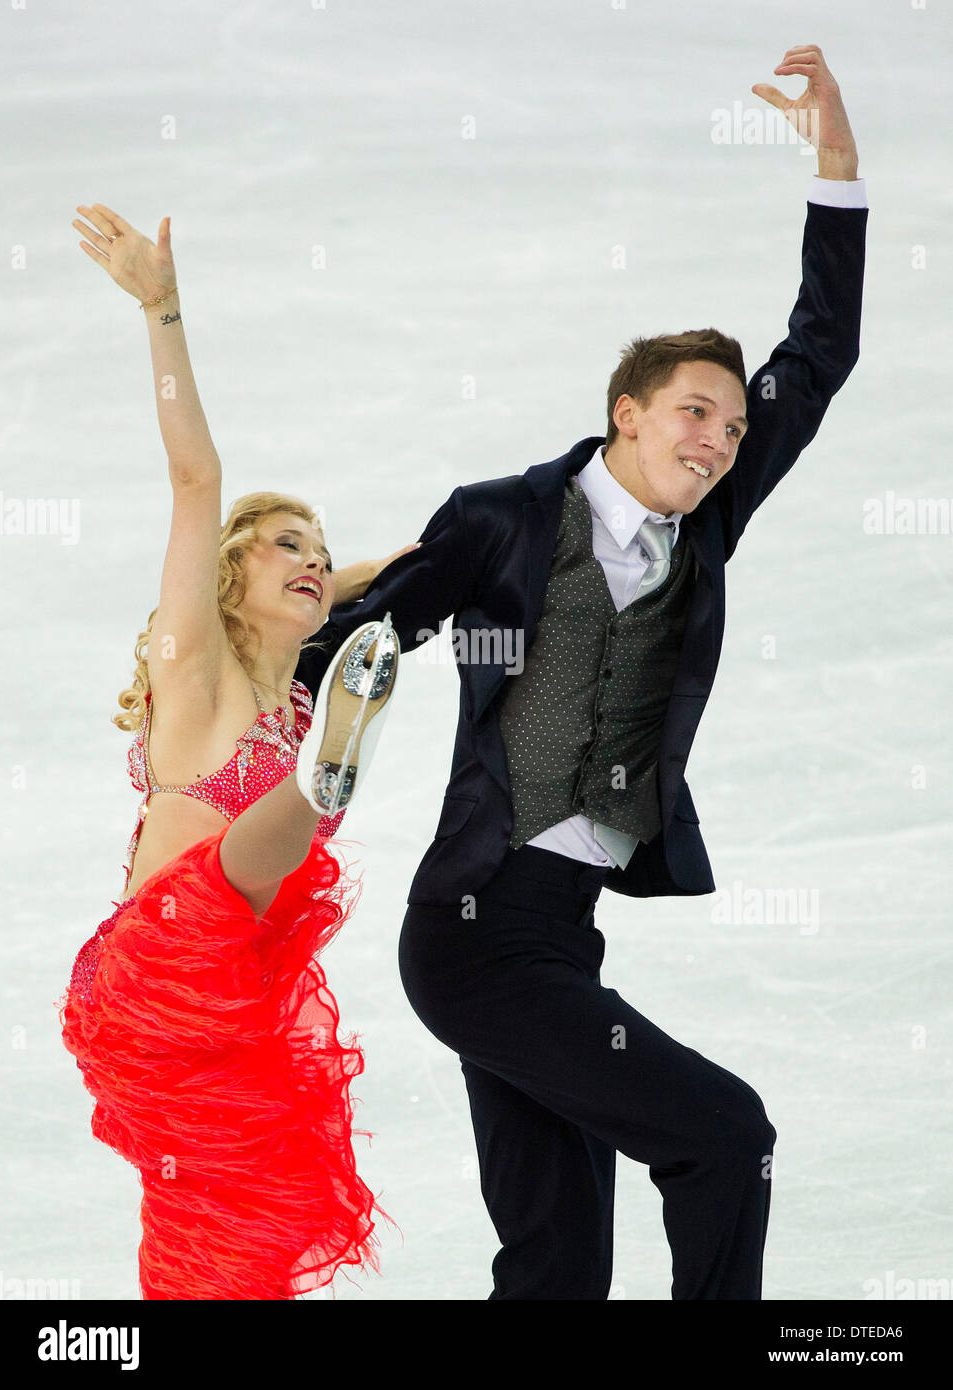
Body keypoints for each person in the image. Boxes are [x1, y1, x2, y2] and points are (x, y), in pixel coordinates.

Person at [298, 46, 869, 1299]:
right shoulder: (502, 520)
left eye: (729, 425)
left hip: (561, 937)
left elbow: (817, 351)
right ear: (625, 409)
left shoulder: (704, 528)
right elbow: (358, 644)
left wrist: (835, 160)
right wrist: (240, 702)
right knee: (724, 1136)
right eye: (691, 412)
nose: (716, 440)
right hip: (469, 929)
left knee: (555, 1268)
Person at [57, 202, 403, 1300]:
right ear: (230, 575)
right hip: (161, 976)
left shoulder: (286, 690)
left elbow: (381, 574)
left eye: (320, 551)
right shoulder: (193, 666)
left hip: (234, 1016)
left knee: (228, 1230)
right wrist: (160, 305)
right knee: (245, 855)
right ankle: (323, 787)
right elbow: (196, 479)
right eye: (285, 546)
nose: (312, 559)